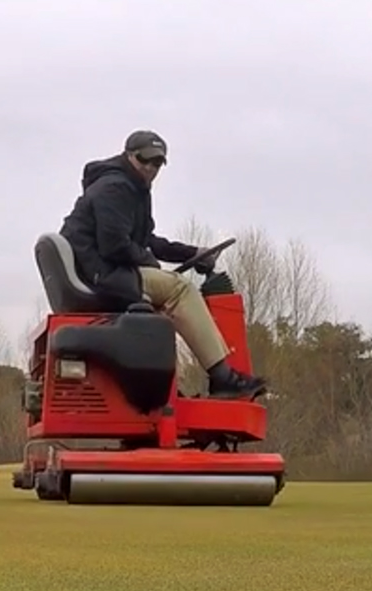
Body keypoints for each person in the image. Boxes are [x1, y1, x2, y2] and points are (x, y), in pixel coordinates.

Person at [59, 129, 266, 398]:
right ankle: (222, 377)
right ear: (129, 155)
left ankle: (164, 390)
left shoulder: (133, 188)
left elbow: (148, 241)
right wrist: (150, 263)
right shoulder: (116, 188)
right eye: (145, 160)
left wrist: (192, 253)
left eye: (157, 162)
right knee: (179, 289)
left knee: (166, 298)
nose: (150, 167)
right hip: (101, 273)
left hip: (100, 270)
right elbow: (115, 245)